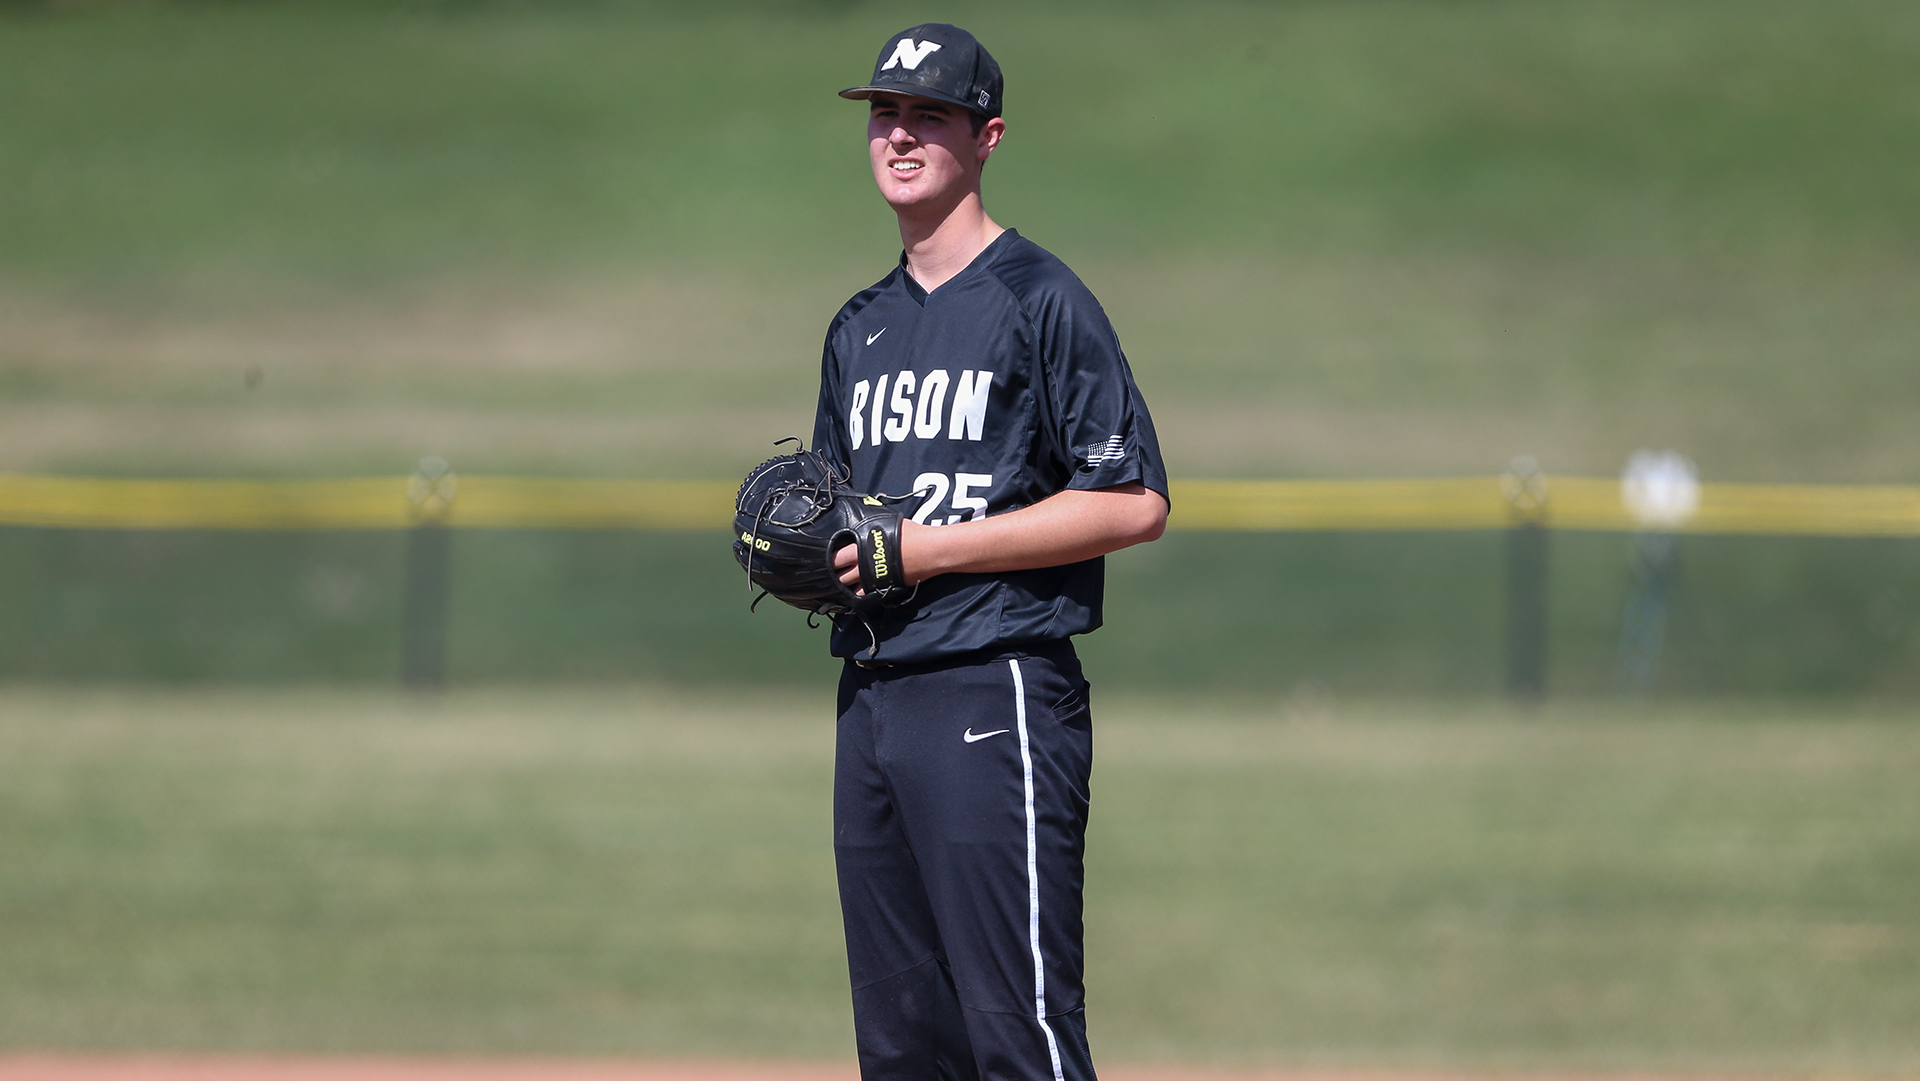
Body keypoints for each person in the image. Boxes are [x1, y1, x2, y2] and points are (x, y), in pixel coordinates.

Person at [815, 23, 1169, 1081]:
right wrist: (801, 556)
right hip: (873, 700)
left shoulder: (1040, 299)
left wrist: (932, 549)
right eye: (887, 113)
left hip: (996, 686)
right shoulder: (858, 327)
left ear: (988, 136)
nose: (901, 134)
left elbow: (1134, 499)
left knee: (1018, 1036)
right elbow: (846, 521)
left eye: (931, 115)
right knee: (904, 1046)